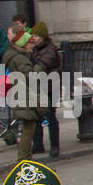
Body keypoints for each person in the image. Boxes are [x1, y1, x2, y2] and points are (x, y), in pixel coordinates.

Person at [1, 18, 45, 161]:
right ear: (24, 44)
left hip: (22, 94)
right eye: (30, 43)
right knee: (28, 130)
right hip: (25, 96)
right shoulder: (20, 59)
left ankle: (26, 158)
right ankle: (23, 159)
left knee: (28, 128)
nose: (32, 46)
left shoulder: (19, 57)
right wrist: (38, 67)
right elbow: (30, 77)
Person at [29, 23, 61, 160]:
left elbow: (41, 66)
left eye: (36, 36)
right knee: (37, 116)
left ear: (43, 37)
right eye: (33, 36)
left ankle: (55, 146)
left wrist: (30, 58)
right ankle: (38, 145)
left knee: (50, 116)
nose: (34, 38)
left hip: (50, 87)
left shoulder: (50, 50)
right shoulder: (35, 49)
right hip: (38, 87)